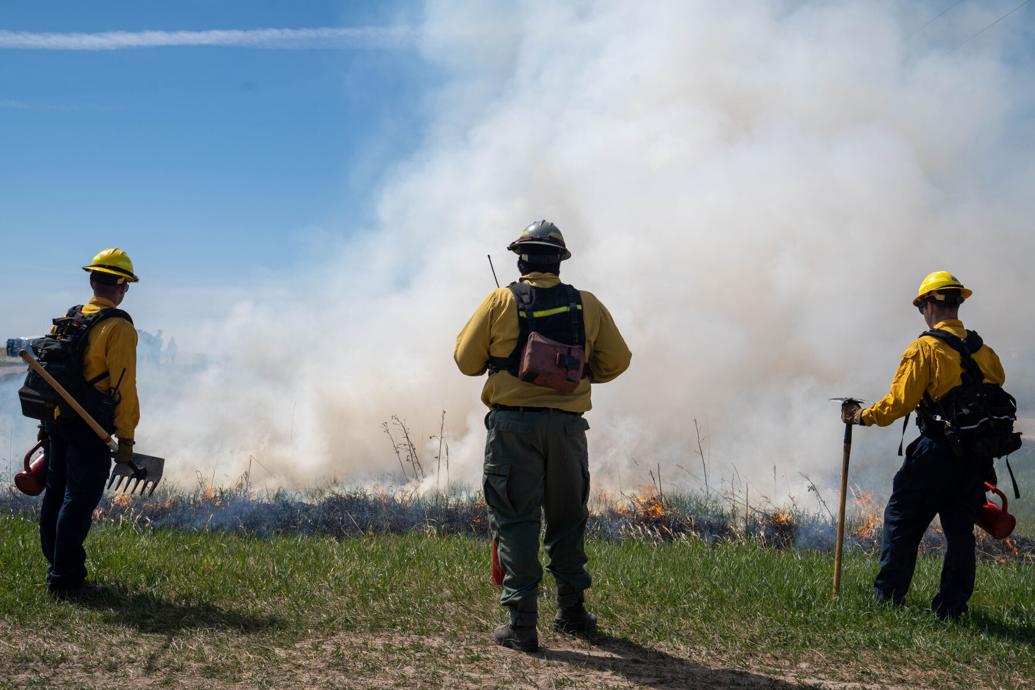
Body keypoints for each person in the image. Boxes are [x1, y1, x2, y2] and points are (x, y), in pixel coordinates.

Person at [454, 220, 631, 652]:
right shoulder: (587, 305)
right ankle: (572, 612)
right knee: (568, 519)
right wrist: (577, 372)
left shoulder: (500, 300)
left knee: (516, 521)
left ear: (521, 259)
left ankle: (521, 625)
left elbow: (464, 360)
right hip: (569, 430)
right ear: (559, 262)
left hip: (513, 429)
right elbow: (618, 361)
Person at [841, 271, 1005, 619]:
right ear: (957, 303)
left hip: (936, 454)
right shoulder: (986, 353)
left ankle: (888, 600)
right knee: (960, 532)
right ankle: (951, 608)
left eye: (921, 307)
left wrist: (860, 416)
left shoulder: (924, 349)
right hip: (976, 459)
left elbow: (898, 405)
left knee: (901, 520)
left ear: (929, 304)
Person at [39, 248, 140, 598]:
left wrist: (44, 425)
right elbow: (124, 386)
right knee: (78, 500)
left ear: (93, 281)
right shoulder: (118, 327)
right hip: (88, 428)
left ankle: (56, 565)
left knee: (56, 494)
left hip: (56, 421)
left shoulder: (70, 318)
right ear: (123, 286)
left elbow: (49, 374)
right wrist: (126, 439)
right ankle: (65, 579)